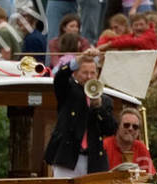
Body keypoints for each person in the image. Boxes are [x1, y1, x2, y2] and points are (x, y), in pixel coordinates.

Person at [44, 48, 115, 177]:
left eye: (92, 73)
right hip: (68, 156)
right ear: (75, 74)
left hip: (93, 160)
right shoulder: (69, 91)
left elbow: (110, 129)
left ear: (97, 75)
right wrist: (80, 58)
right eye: (84, 73)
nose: (89, 77)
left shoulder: (105, 100)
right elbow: (60, 77)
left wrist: (98, 107)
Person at [103, 106, 155, 173]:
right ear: (118, 126)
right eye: (126, 125)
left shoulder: (141, 148)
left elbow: (151, 177)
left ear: (138, 132)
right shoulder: (105, 145)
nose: (130, 129)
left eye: (135, 127)